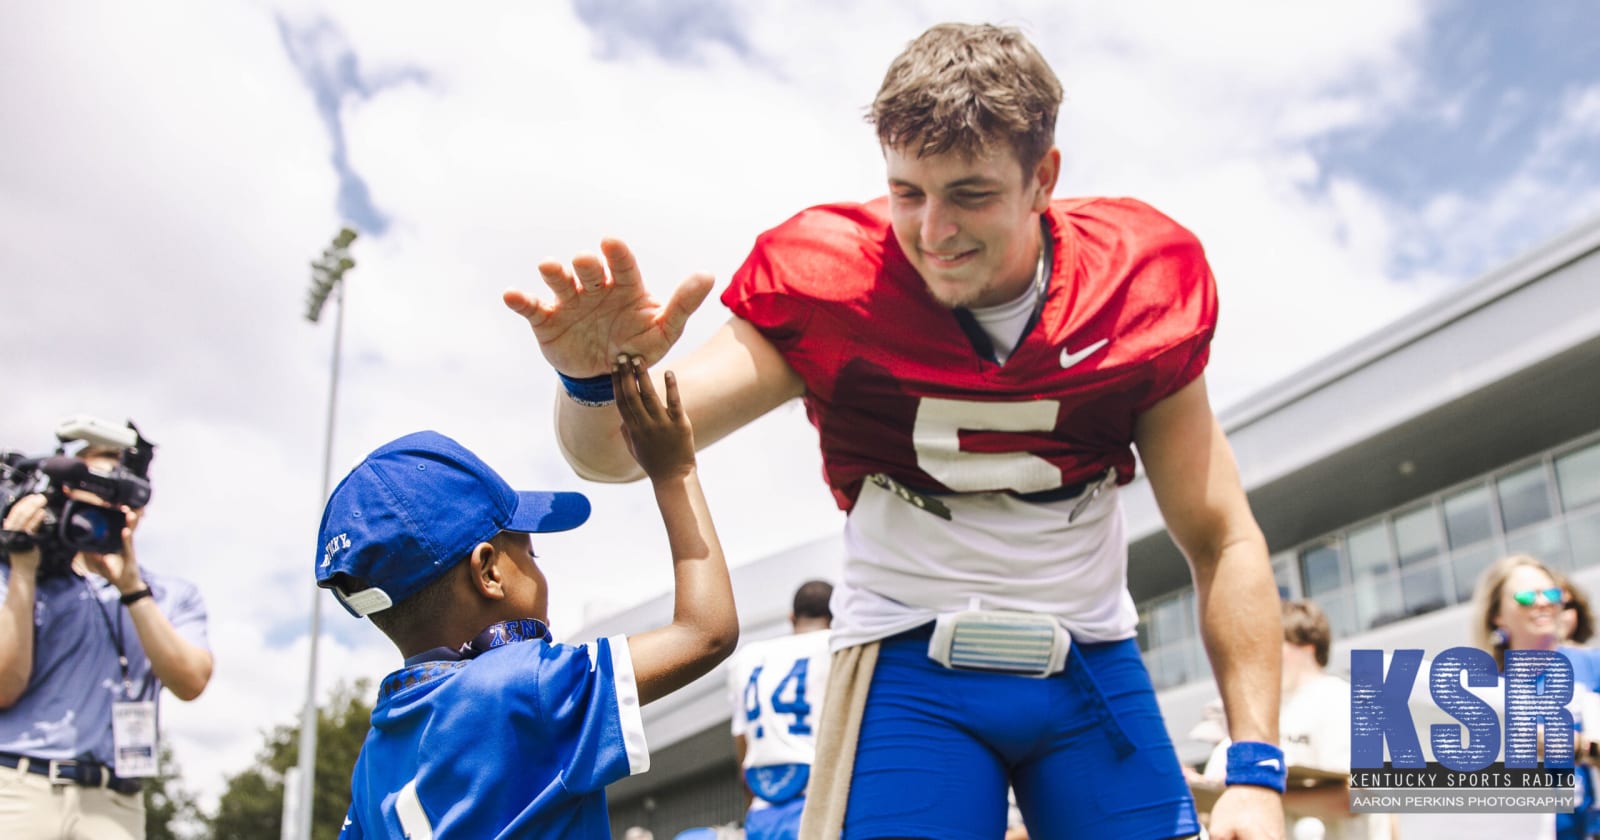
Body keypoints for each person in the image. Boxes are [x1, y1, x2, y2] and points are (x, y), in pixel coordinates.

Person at [506, 21, 1284, 839]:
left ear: (1042, 178)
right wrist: (592, 384)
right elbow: (622, 452)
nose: (933, 232)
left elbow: (1220, 535)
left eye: (971, 193)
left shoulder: (1137, 281)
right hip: (908, 666)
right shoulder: (834, 280)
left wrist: (1256, 768)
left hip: (1091, 660)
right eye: (908, 192)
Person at [318, 358, 737, 838]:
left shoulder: (373, 757)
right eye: (531, 554)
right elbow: (706, 632)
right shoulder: (526, 686)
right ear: (489, 571)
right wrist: (674, 472)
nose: (540, 569)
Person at [0, 444, 213, 840]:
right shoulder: (14, 573)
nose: (105, 502)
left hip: (115, 804)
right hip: (18, 787)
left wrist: (131, 588)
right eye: (93, 486)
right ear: (66, 494)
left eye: (118, 492)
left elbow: (191, 681)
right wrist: (23, 572)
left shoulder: (172, 595)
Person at [1199, 600, 1391, 840]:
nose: (1263, 655)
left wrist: (1261, 790)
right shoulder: (1257, 710)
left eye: (1273, 644)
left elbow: (1359, 798)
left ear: (1308, 646)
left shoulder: (1345, 700)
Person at [1471, 555, 1600, 840]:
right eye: (1527, 596)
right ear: (1497, 615)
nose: (1542, 602)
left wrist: (1576, 747)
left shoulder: (1593, 666)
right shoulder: (1485, 694)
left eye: (1551, 593)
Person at [727, 579, 834, 840]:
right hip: (819, 803)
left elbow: (742, 739)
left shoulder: (747, 658)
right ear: (835, 616)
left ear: (792, 617)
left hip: (764, 807)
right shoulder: (835, 646)